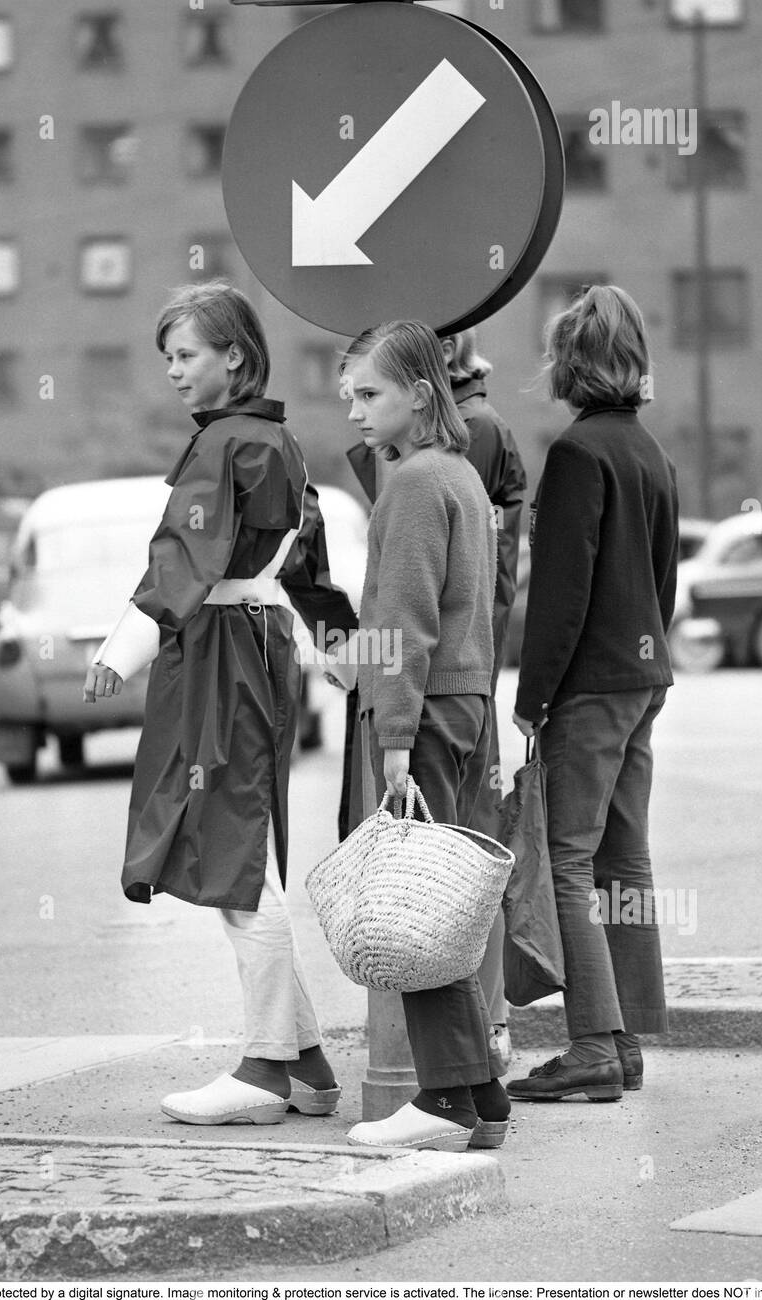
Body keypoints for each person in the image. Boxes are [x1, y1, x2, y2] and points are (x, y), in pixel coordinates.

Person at [84, 281, 359, 1127]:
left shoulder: (226, 446)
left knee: (235, 855)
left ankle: (265, 1069)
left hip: (220, 651)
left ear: (233, 356)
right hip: (259, 643)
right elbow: (306, 560)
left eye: (186, 355)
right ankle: (306, 1063)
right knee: (243, 841)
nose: (172, 371)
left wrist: (118, 651)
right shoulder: (278, 443)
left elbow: (182, 555)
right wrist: (342, 647)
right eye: (167, 357)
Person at [335, 320, 511, 1154]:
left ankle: (443, 1099)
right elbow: (463, 608)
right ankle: (480, 1093)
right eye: (350, 396)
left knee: (415, 912)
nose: (355, 412)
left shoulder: (409, 485)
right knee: (448, 905)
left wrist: (395, 730)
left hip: (424, 713)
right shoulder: (461, 478)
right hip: (464, 703)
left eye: (369, 394)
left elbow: (404, 618)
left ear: (418, 391)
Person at [507, 284, 678, 1104]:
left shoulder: (576, 455)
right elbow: (663, 582)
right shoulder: (650, 453)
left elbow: (560, 594)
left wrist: (531, 697)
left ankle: (589, 1048)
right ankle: (626, 1037)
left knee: (568, 864)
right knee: (624, 861)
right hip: (644, 678)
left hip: (590, 684)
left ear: (569, 363)